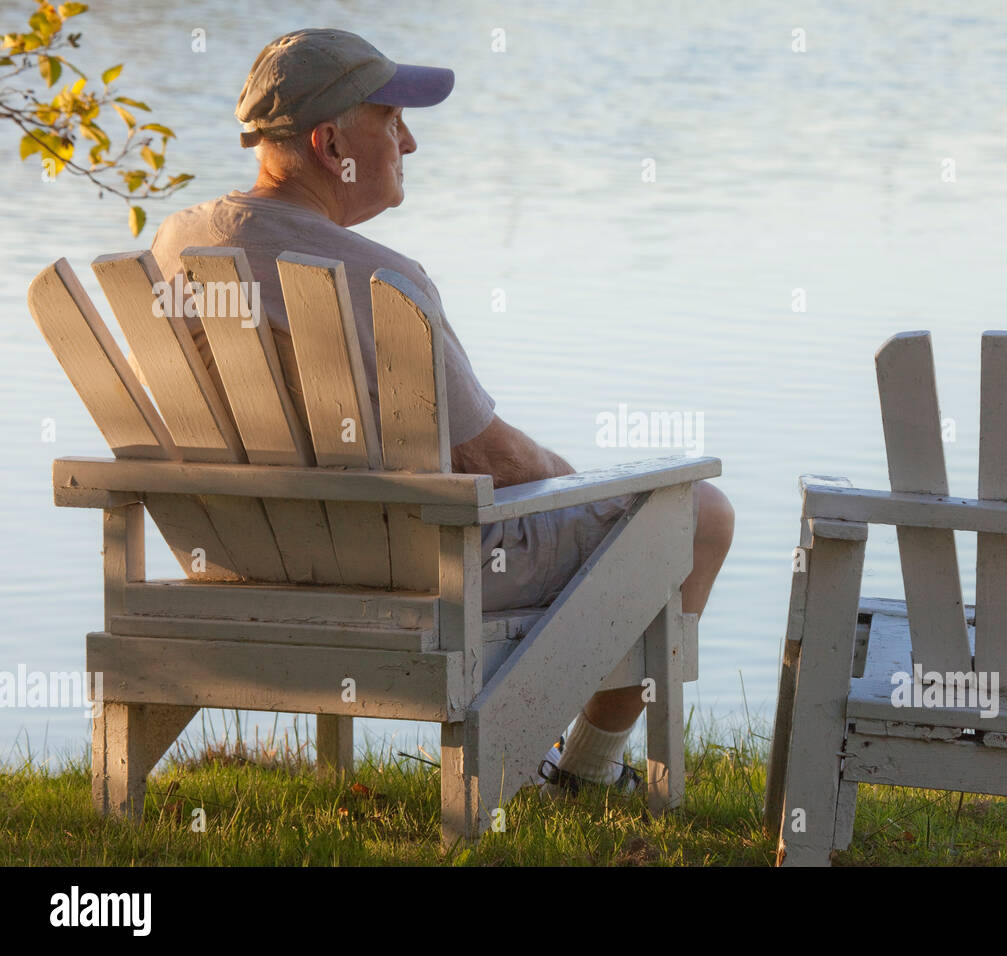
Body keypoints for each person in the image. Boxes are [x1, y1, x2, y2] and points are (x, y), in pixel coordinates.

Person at [146, 28, 734, 795]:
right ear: (330, 143)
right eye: (392, 121)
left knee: (621, 514)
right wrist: (572, 482)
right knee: (693, 514)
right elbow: (500, 465)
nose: (410, 142)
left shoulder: (174, 243)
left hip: (243, 554)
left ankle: (562, 757)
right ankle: (585, 775)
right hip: (411, 568)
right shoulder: (378, 277)